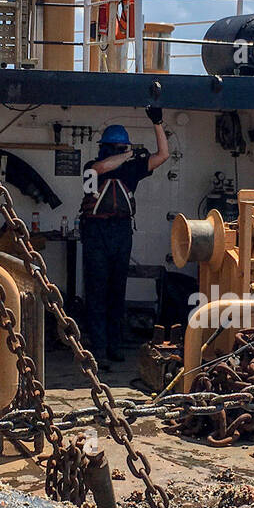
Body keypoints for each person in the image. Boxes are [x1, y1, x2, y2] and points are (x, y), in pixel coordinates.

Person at [79, 108, 169, 369]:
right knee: (96, 293)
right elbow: (100, 169)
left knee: (117, 292)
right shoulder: (92, 168)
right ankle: (99, 350)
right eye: (120, 147)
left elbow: (163, 155)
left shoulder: (131, 170)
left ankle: (114, 347)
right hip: (96, 233)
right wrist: (128, 155)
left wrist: (158, 123)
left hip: (120, 232)